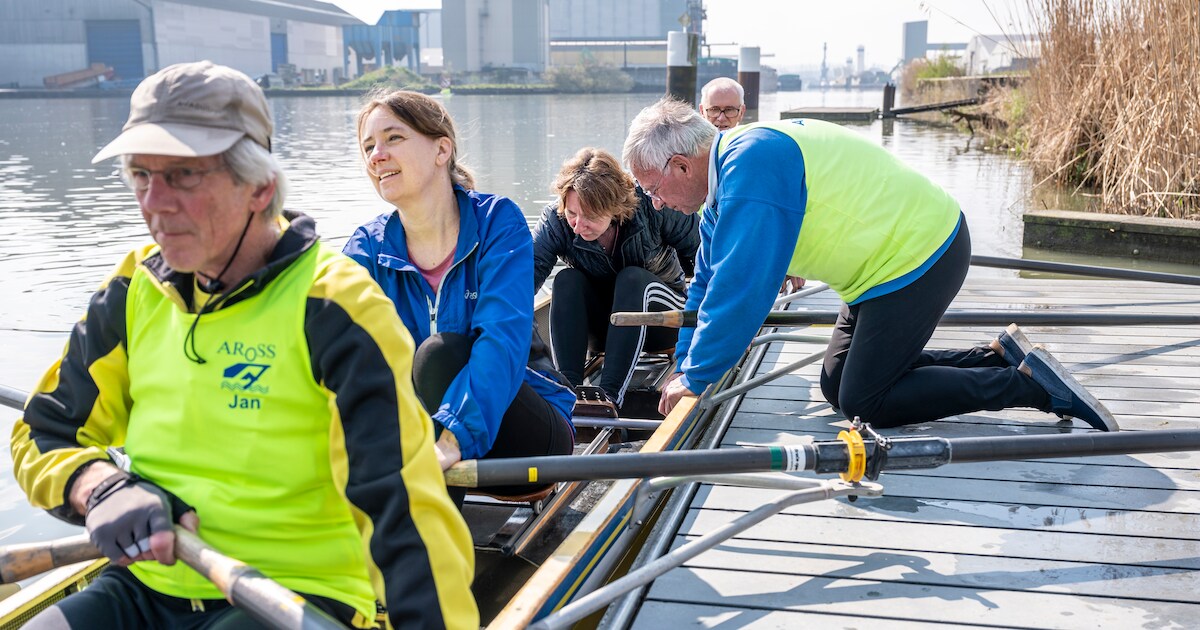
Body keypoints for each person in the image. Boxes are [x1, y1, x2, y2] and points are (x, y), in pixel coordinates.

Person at [10, 62, 477, 629]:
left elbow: (405, 515)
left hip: (296, 595)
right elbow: (43, 432)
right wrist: (100, 484)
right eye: (140, 174)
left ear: (259, 187)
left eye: (182, 176)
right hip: (144, 582)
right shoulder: (133, 288)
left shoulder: (334, 306)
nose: (153, 202)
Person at [622, 97, 1119, 433]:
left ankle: (1029, 386)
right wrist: (683, 368)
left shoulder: (751, 164)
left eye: (652, 189)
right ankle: (996, 356)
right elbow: (705, 287)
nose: (657, 203)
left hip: (921, 255)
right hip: (876, 276)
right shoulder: (721, 190)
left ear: (682, 166)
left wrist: (698, 376)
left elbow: (743, 290)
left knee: (866, 402)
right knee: (836, 386)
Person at [343, 89, 576, 504]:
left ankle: (428, 546)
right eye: (368, 147)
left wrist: (450, 443)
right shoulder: (366, 248)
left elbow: (501, 342)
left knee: (439, 355)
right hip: (423, 442)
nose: (376, 155)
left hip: (525, 442)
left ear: (441, 149)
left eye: (393, 138)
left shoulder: (496, 223)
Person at [532, 147, 699, 408]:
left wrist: (721, 322)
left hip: (663, 323)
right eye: (573, 214)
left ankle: (610, 396)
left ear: (614, 207)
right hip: (605, 330)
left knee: (631, 278)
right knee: (565, 279)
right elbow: (525, 277)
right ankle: (567, 392)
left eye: (590, 216)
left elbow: (705, 258)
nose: (577, 225)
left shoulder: (653, 204)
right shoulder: (557, 220)